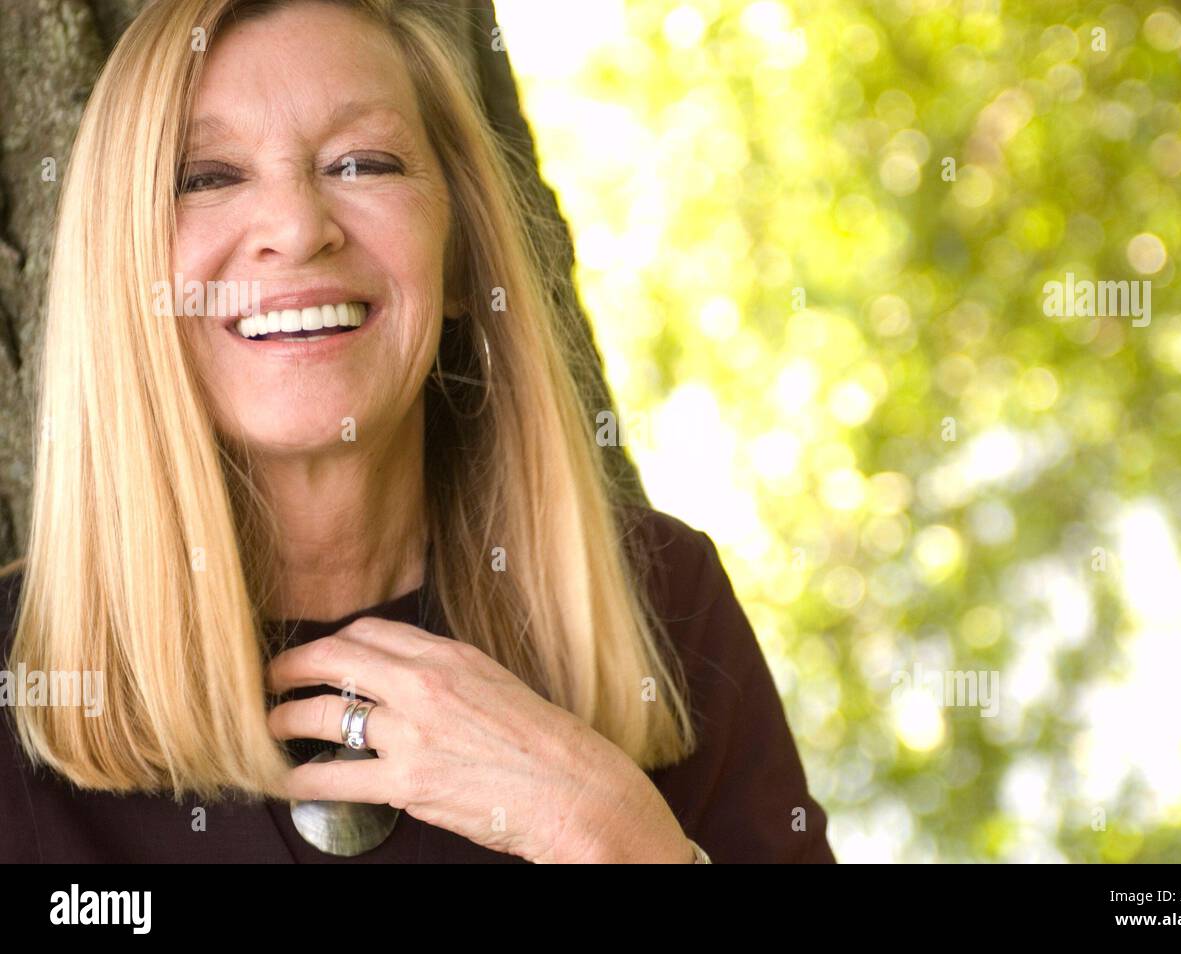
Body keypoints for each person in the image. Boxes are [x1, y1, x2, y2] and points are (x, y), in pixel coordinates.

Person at [0, 0, 835, 863]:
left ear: (464, 251)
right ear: (116, 267)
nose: (296, 229)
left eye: (362, 163)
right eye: (207, 176)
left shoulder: (665, 602)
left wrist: (612, 838)